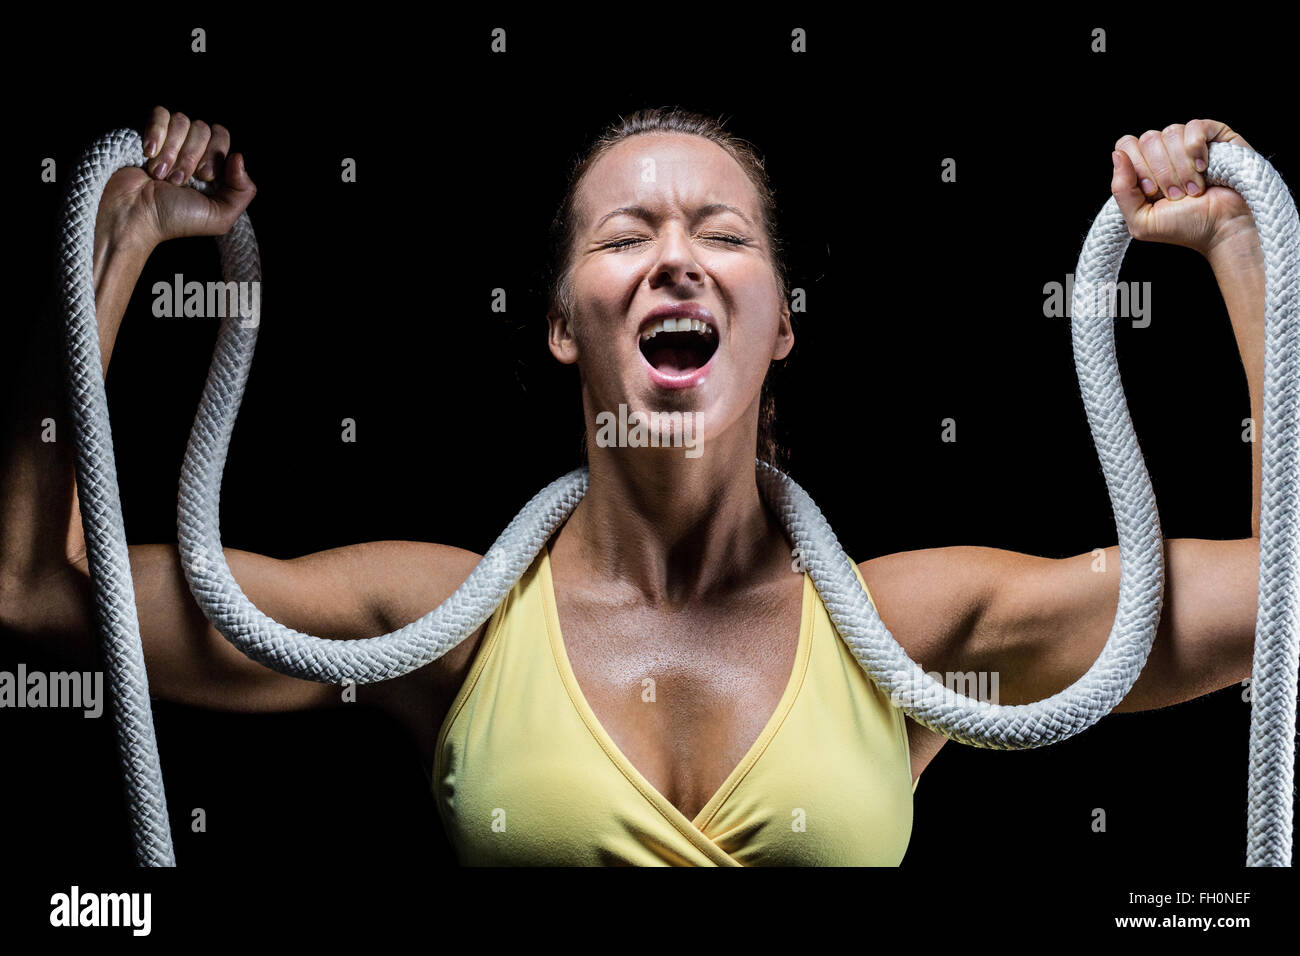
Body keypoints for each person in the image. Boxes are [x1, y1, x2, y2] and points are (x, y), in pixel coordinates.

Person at [0, 107, 1265, 865]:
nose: (675, 259)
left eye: (722, 235)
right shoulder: (446, 623)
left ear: (778, 324)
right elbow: (41, 593)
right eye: (623, 237)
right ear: (563, 322)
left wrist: (1246, 262)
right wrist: (102, 264)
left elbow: (1283, 606)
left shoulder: (907, 635)